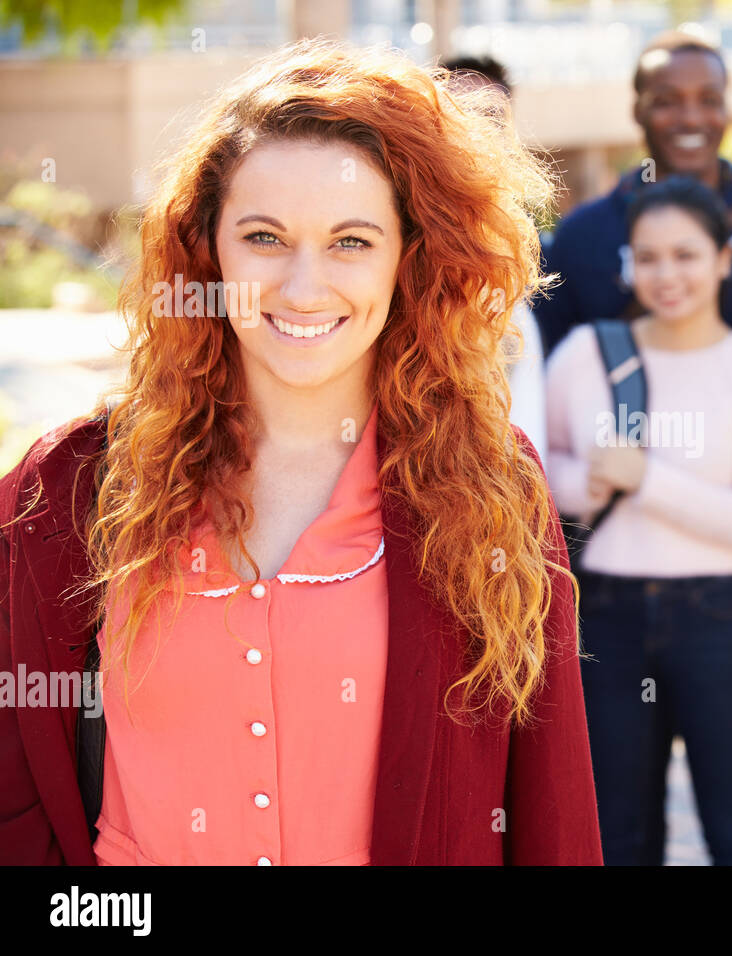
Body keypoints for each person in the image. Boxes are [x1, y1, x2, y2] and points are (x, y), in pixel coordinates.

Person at [0, 39, 601, 866]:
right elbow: (17, 791)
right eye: (264, 237)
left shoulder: (488, 484)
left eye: (352, 241)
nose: (304, 286)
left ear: (409, 256)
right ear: (206, 249)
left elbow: (550, 804)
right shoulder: (75, 485)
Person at [534, 29, 732, 866]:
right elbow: (541, 476)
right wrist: (599, 481)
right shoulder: (589, 353)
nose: (669, 273)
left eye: (688, 255)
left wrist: (644, 476)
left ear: (725, 261)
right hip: (607, 612)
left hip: (720, 617)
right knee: (620, 830)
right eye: (649, 258)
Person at [444, 54, 548, 465]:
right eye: (457, 113)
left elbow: (525, 433)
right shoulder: (383, 245)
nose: (475, 131)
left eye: (490, 115)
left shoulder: (519, 263)